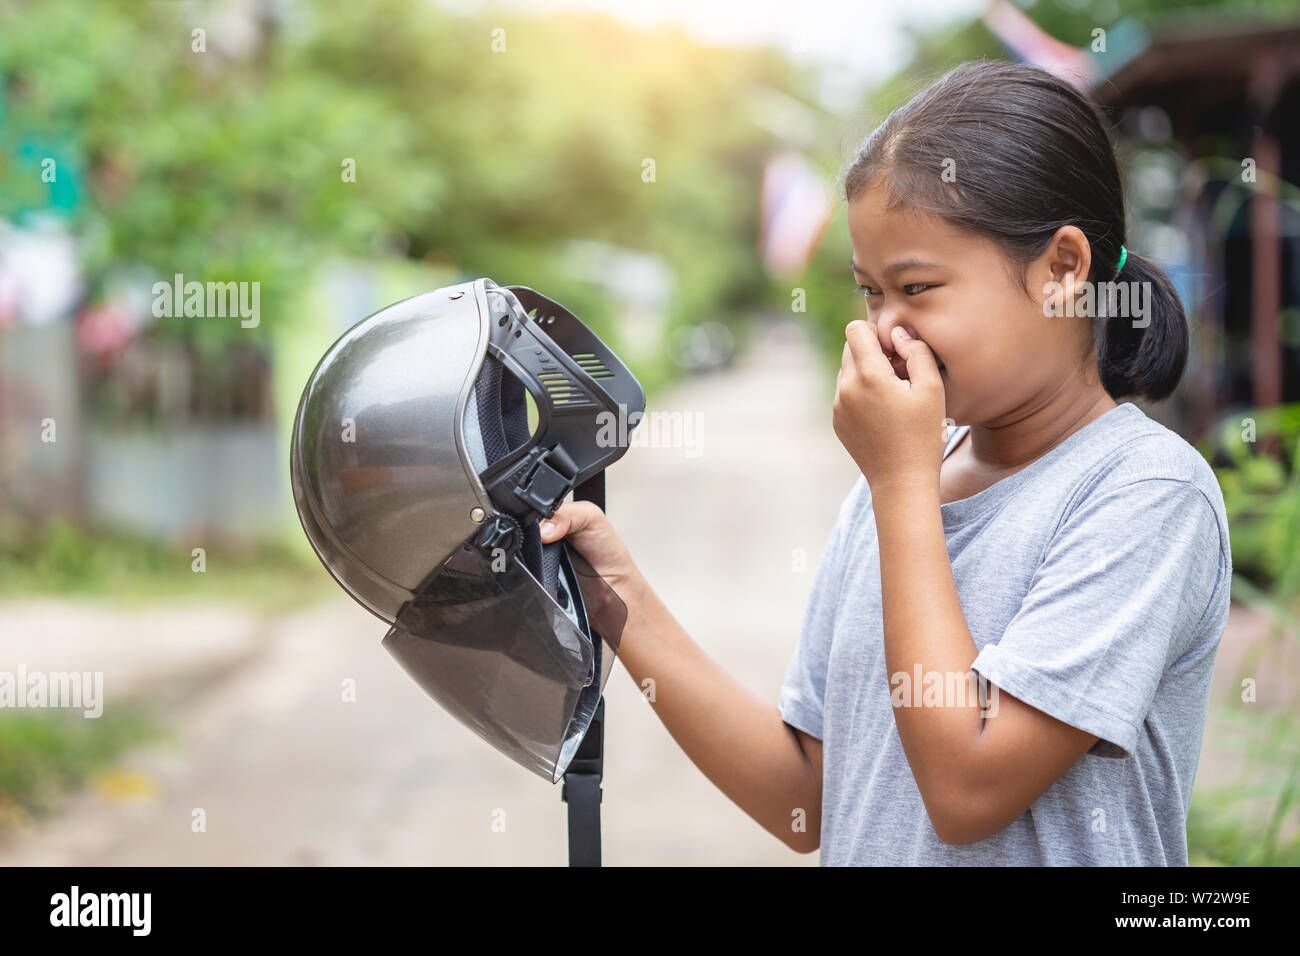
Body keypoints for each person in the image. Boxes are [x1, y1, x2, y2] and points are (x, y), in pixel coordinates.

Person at [540, 60, 1231, 865]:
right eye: (871, 293)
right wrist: (615, 594)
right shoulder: (897, 483)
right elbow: (808, 802)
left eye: (919, 287)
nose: (885, 332)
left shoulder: (1146, 493)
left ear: (1063, 271)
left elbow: (966, 791)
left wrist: (902, 482)